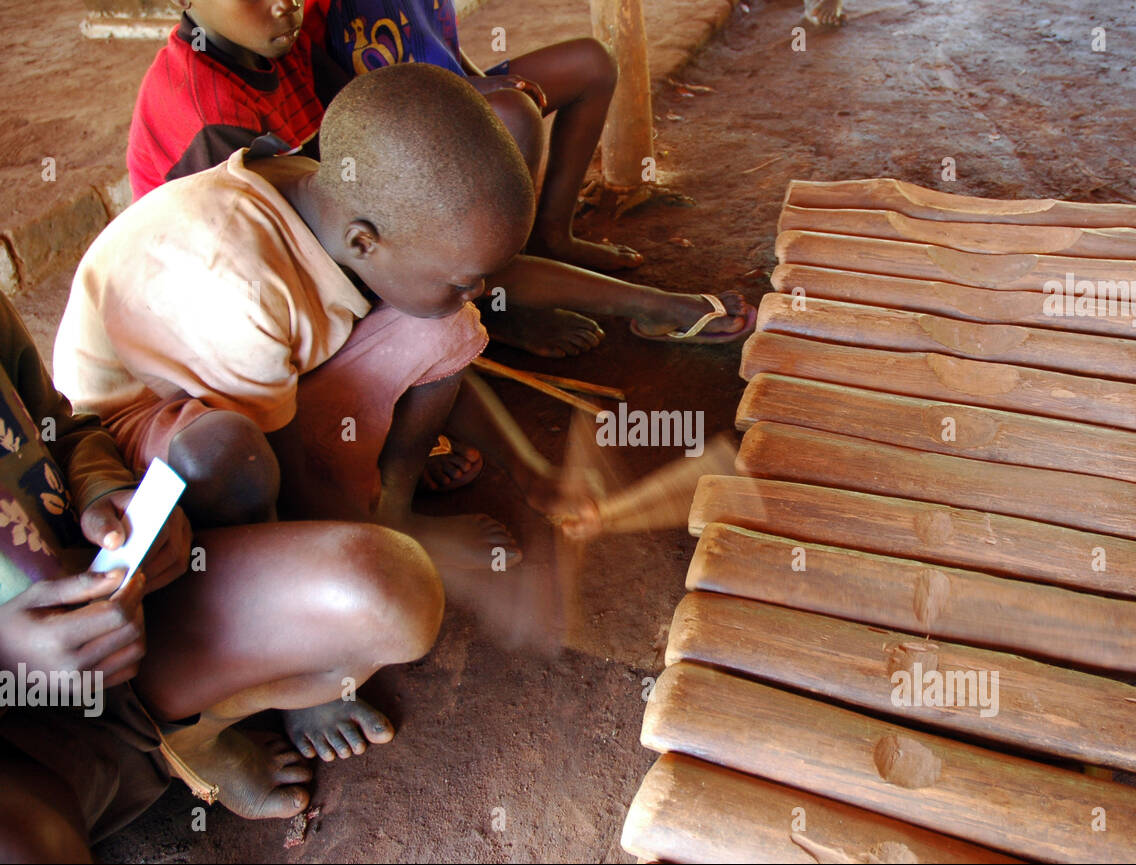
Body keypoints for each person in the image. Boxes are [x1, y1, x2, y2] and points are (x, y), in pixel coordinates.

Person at [57, 64, 606, 580]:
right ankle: (347, 544)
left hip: (249, 368)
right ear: (364, 242)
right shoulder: (243, 286)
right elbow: (286, 470)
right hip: (144, 420)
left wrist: (528, 468)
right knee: (232, 455)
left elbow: (428, 350)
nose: (480, 292)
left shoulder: (327, 201)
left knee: (444, 325)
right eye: (463, 278)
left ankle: (393, 500)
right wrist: (374, 550)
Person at [0, 289, 444, 860]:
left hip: (130, 619)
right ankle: (182, 742)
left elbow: (59, 426)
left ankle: (193, 732)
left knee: (392, 589)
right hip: (30, 740)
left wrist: (108, 494)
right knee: (28, 845)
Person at [126, 0, 755, 365]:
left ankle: (518, 291)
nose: (284, 2)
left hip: (327, 210)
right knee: (437, 256)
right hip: (263, 289)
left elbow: (358, 118)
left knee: (458, 218)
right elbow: (242, 277)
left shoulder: (274, 42)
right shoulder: (203, 119)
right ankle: (645, 308)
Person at [323, 0, 643, 271]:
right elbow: (346, 97)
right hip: (392, 133)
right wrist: (473, 89)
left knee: (592, 62)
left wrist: (478, 80)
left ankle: (552, 237)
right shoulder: (314, 9)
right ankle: (506, 277)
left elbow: (439, 44)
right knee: (512, 111)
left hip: (448, 94)